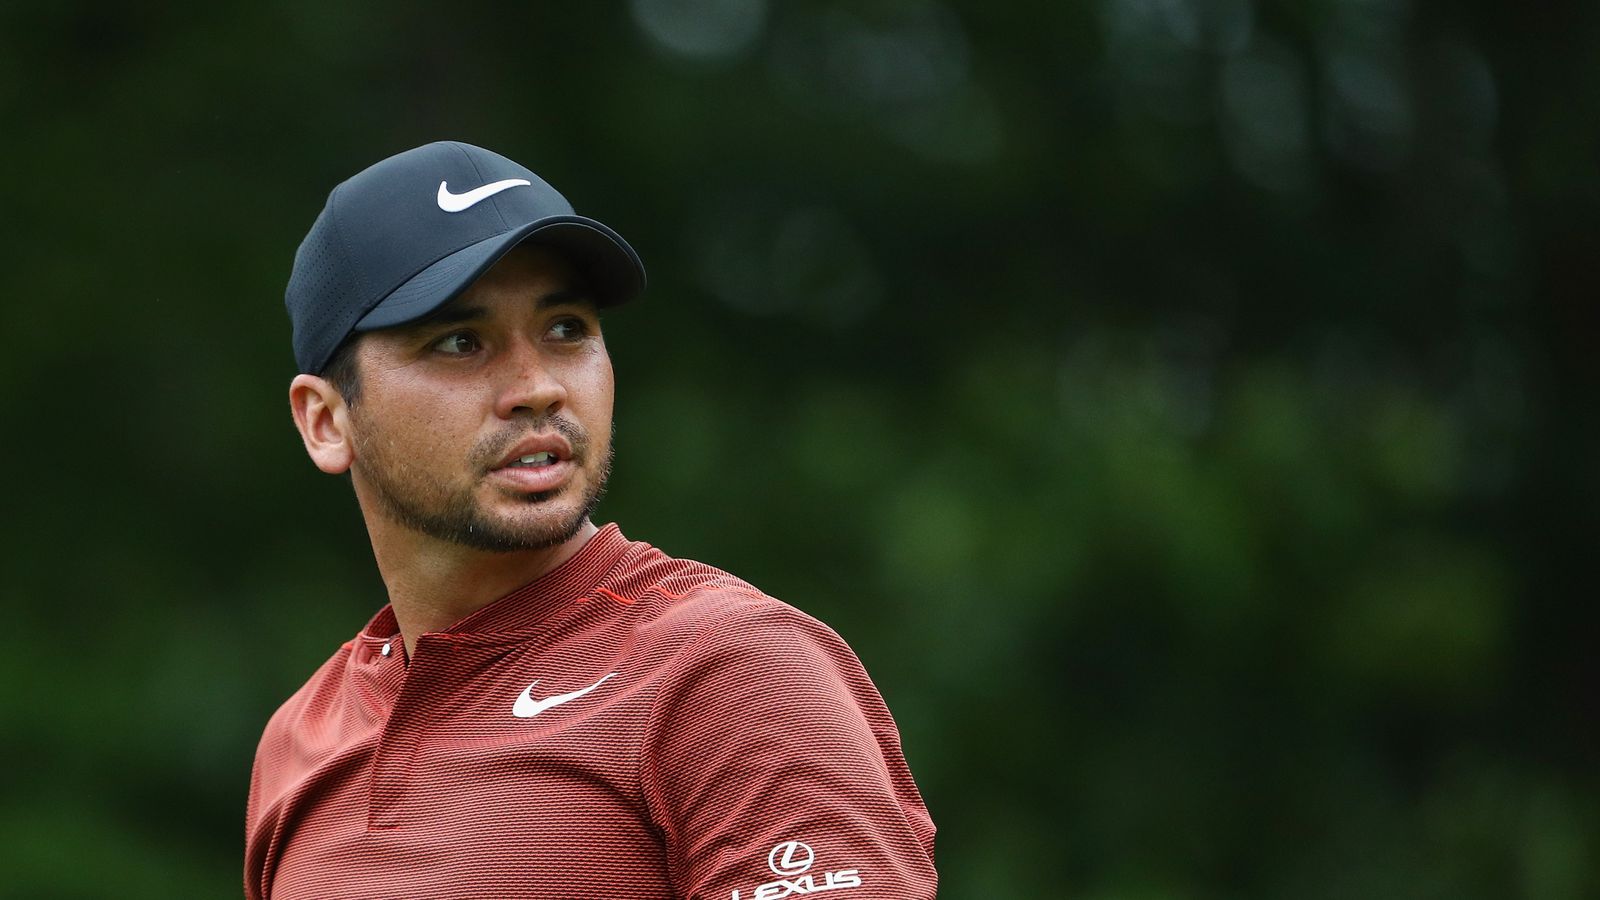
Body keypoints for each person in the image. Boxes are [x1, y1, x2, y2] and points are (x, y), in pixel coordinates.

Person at [244, 141, 937, 899]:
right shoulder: (300, 740)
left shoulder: (726, 668)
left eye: (566, 328)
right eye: (459, 342)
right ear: (325, 420)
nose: (537, 386)